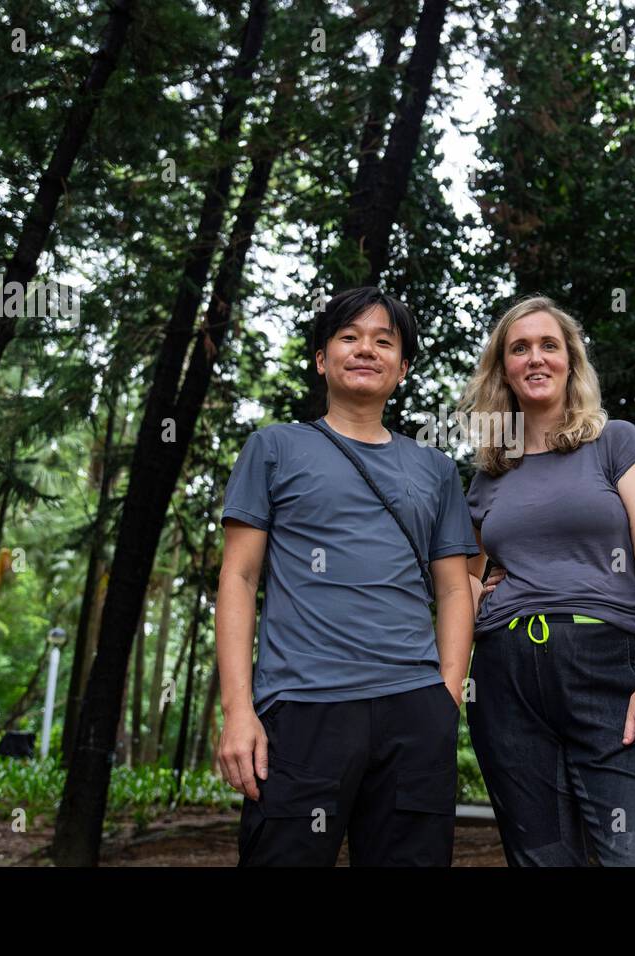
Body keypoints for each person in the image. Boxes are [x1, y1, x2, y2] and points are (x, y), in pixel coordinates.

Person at [215, 287, 479, 866]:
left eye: (384, 341)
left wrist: (446, 696)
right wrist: (239, 711)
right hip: (302, 706)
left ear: (403, 367)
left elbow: (456, 587)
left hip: (414, 707)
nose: (367, 350)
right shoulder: (275, 447)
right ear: (321, 358)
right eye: (349, 337)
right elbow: (238, 578)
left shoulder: (434, 468)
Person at [459, 294, 635, 866]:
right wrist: (478, 599)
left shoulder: (616, 443)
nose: (536, 358)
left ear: (570, 361)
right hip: (505, 679)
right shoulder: (490, 473)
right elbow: (461, 577)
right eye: (520, 348)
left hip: (607, 669)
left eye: (549, 345)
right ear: (502, 369)